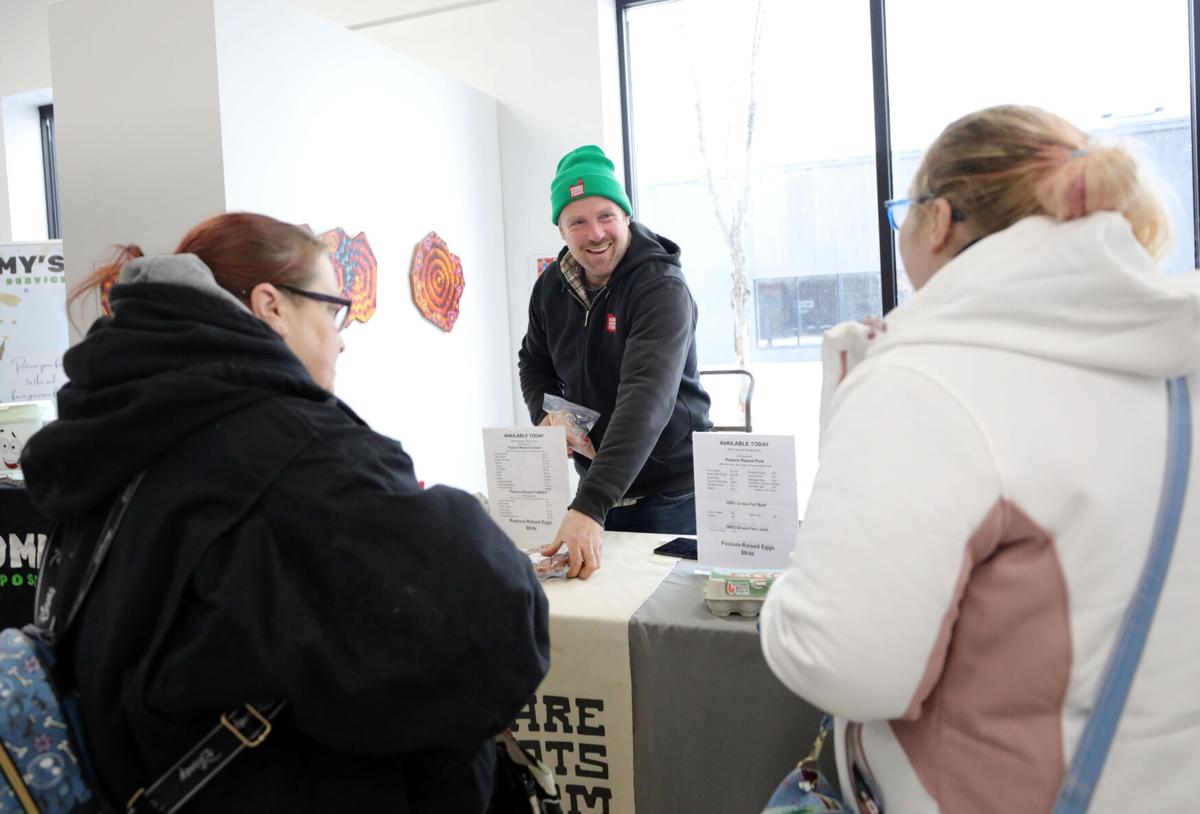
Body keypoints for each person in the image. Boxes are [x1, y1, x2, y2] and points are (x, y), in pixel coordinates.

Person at [20, 213, 550, 813]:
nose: (341, 335)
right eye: (331, 308)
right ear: (272, 305)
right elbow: (498, 629)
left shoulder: (114, 434)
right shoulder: (296, 454)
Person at [759, 105, 1200, 813]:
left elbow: (845, 663)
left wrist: (785, 597)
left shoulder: (926, 382)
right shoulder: (1174, 352)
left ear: (936, 220)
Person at [518, 145, 712, 579]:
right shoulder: (550, 287)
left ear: (626, 215)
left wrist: (588, 505)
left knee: (661, 627)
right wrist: (551, 418)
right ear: (562, 229)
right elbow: (533, 361)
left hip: (670, 497)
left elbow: (646, 401)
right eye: (578, 222)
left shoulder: (660, 288)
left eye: (606, 215)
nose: (596, 233)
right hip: (598, 490)